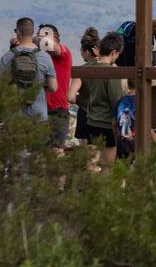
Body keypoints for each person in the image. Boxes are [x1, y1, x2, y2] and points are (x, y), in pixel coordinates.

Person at [0, 17, 57, 124]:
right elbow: (53, 87)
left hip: (14, 116)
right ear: (32, 32)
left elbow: (0, 87)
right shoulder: (45, 57)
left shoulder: (7, 56)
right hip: (38, 116)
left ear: (18, 31)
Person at [81, 31, 127, 166]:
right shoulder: (111, 73)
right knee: (107, 166)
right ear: (113, 52)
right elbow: (116, 101)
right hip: (107, 124)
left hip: (90, 121)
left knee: (92, 165)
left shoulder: (89, 68)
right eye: (118, 54)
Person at [37, 24, 73, 150]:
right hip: (40, 110)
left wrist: (33, 38)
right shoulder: (39, 57)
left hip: (58, 112)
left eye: (45, 34)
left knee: (56, 151)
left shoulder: (63, 53)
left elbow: (55, 48)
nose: (41, 39)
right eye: (39, 35)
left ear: (56, 37)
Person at [69, 27, 101, 141]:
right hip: (103, 116)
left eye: (81, 51)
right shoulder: (109, 68)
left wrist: (80, 99)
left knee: (87, 153)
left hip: (86, 115)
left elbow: (71, 97)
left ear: (87, 51)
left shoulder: (81, 71)